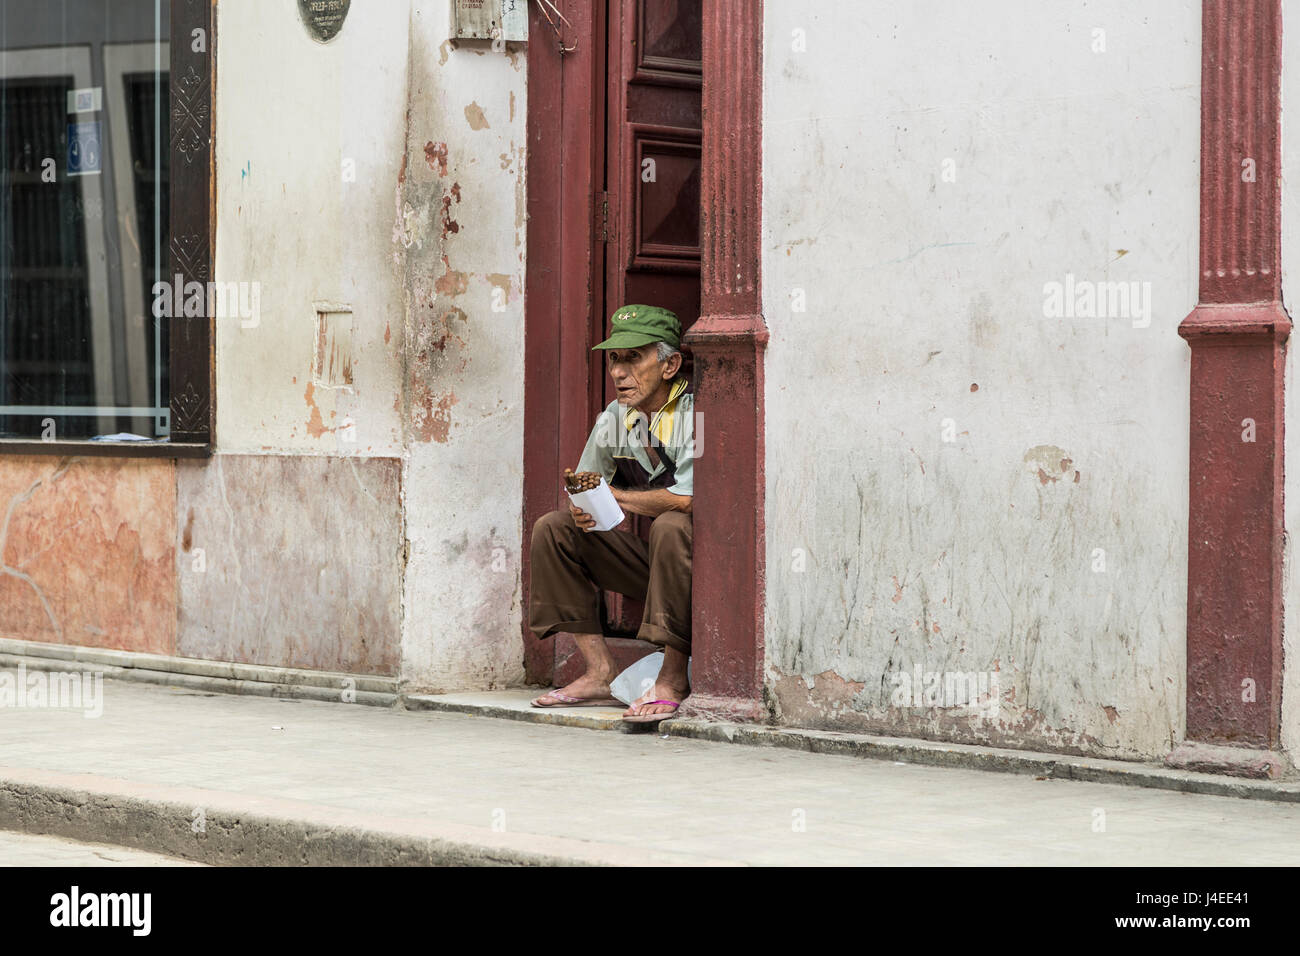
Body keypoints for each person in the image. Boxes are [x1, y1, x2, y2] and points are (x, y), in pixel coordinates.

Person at [528, 305, 695, 724]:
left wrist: (616, 498)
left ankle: (672, 678)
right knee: (555, 528)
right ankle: (600, 671)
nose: (619, 372)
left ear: (670, 364)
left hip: (700, 575)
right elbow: (586, 482)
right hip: (654, 570)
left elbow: (689, 500)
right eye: (614, 359)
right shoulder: (617, 417)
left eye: (634, 357)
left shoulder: (695, 413)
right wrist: (584, 508)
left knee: (673, 526)